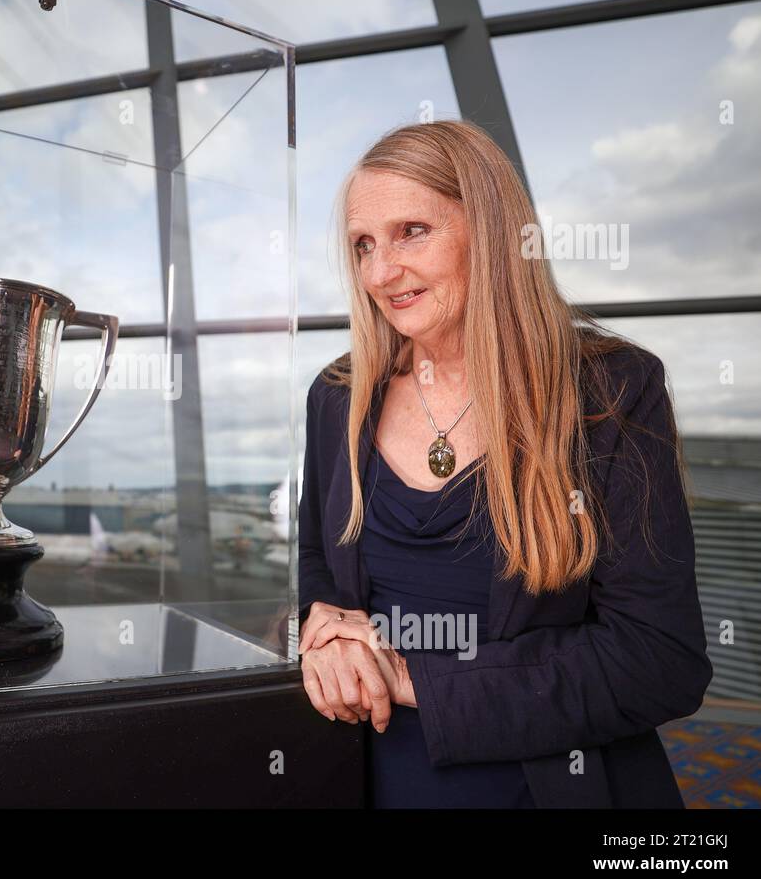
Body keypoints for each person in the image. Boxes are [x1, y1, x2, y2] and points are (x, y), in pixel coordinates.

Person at [296, 120, 712, 808]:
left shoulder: (608, 391)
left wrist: (409, 675)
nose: (379, 272)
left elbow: (660, 663)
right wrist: (325, 629)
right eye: (363, 245)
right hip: (366, 773)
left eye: (411, 232)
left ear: (490, 233)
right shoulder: (338, 396)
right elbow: (320, 559)